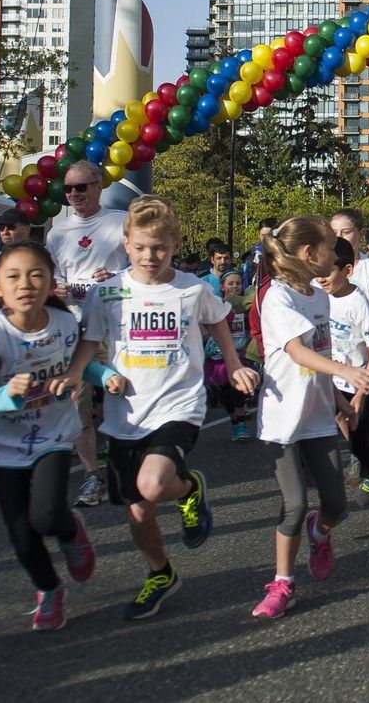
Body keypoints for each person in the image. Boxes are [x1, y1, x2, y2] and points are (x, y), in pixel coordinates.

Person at [54, 196, 259, 620]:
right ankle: (160, 572)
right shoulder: (107, 292)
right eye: (142, 247)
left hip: (177, 405)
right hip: (126, 413)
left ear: (175, 246)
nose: (151, 256)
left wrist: (235, 364)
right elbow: (90, 342)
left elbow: (218, 318)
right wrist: (77, 373)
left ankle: (188, 489)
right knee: (138, 511)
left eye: (160, 248)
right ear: (126, 244)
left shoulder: (191, 288)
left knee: (151, 485)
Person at [0, 241, 114, 630]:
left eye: (36, 274)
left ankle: (70, 528)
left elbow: (79, 368)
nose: (26, 284)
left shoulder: (63, 324)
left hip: (53, 435)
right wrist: (3, 395)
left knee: (44, 515)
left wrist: (107, 377)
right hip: (3, 445)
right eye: (14, 276)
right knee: (22, 536)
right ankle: (49, 588)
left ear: (51, 282)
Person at [250, 216, 369, 620]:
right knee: (294, 502)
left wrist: (338, 400)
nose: (335, 253)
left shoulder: (321, 297)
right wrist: (346, 373)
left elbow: (320, 355)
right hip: (283, 418)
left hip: (319, 413)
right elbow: (298, 352)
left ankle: (319, 532)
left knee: (337, 504)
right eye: (329, 247)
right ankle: (282, 582)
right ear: (309, 254)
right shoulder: (278, 297)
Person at [46, 160, 129, 508]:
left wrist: (114, 277)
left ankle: (127, 462)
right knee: (75, 402)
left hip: (116, 325)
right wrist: (56, 292)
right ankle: (91, 478)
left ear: (98, 186)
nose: (75, 194)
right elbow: (52, 279)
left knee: (122, 396)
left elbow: (146, 269)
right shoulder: (56, 232)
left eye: (81, 187)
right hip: (74, 328)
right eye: (68, 189)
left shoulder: (121, 222)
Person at [318, 236, 369, 507]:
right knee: (338, 421)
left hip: (361, 379)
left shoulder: (360, 304)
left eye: (328, 272)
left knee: (362, 436)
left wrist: (362, 393)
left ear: (347, 271)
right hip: (332, 375)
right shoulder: (318, 294)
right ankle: (362, 460)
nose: (321, 278)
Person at [203, 270, 252, 441]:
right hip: (219, 356)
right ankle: (237, 423)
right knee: (227, 390)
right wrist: (209, 334)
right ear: (222, 287)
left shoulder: (247, 305)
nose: (235, 287)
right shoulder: (217, 305)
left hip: (242, 353)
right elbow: (204, 323)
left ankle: (240, 414)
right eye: (230, 283)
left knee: (240, 389)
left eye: (238, 283)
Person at [330, 208, 369, 332]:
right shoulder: (320, 267)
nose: (339, 237)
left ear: (361, 234)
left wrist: (356, 319)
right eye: (333, 232)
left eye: (345, 232)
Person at [243, 216, 279, 288]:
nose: (266, 238)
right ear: (259, 235)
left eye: (270, 234)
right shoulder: (251, 257)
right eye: (263, 235)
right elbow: (246, 284)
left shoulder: (286, 255)